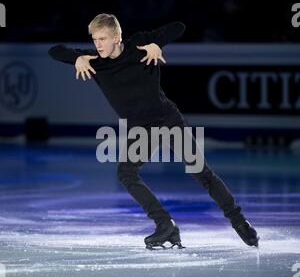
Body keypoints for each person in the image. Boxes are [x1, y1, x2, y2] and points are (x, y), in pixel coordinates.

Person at [49, 13, 259, 250]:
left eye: (102, 39)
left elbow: (179, 26)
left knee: (201, 173)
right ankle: (164, 224)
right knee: (126, 173)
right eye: (94, 39)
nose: (97, 44)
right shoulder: (95, 61)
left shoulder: (139, 45)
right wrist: (77, 58)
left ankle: (240, 224)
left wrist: (156, 43)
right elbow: (54, 51)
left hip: (167, 120)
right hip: (141, 131)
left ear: (117, 37)